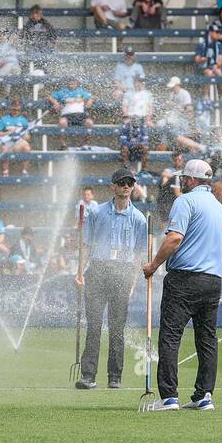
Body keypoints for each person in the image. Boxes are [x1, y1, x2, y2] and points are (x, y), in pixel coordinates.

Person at [142, 158, 222, 411]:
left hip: (184, 279)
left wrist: (153, 265)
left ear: (190, 180)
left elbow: (174, 239)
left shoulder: (185, 201)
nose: (182, 182)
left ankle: (169, 397)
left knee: (170, 337)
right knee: (207, 339)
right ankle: (204, 395)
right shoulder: (219, 208)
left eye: (184, 179)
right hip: (213, 281)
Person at [75, 167, 150, 391]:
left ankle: (115, 376)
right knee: (94, 325)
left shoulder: (139, 219)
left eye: (129, 183)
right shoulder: (97, 213)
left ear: (133, 187)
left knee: (117, 328)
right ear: (113, 186)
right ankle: (88, 375)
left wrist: (132, 283)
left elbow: (138, 256)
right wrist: (79, 273)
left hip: (123, 273)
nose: (126, 186)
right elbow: (86, 245)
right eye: (121, 182)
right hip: (97, 271)